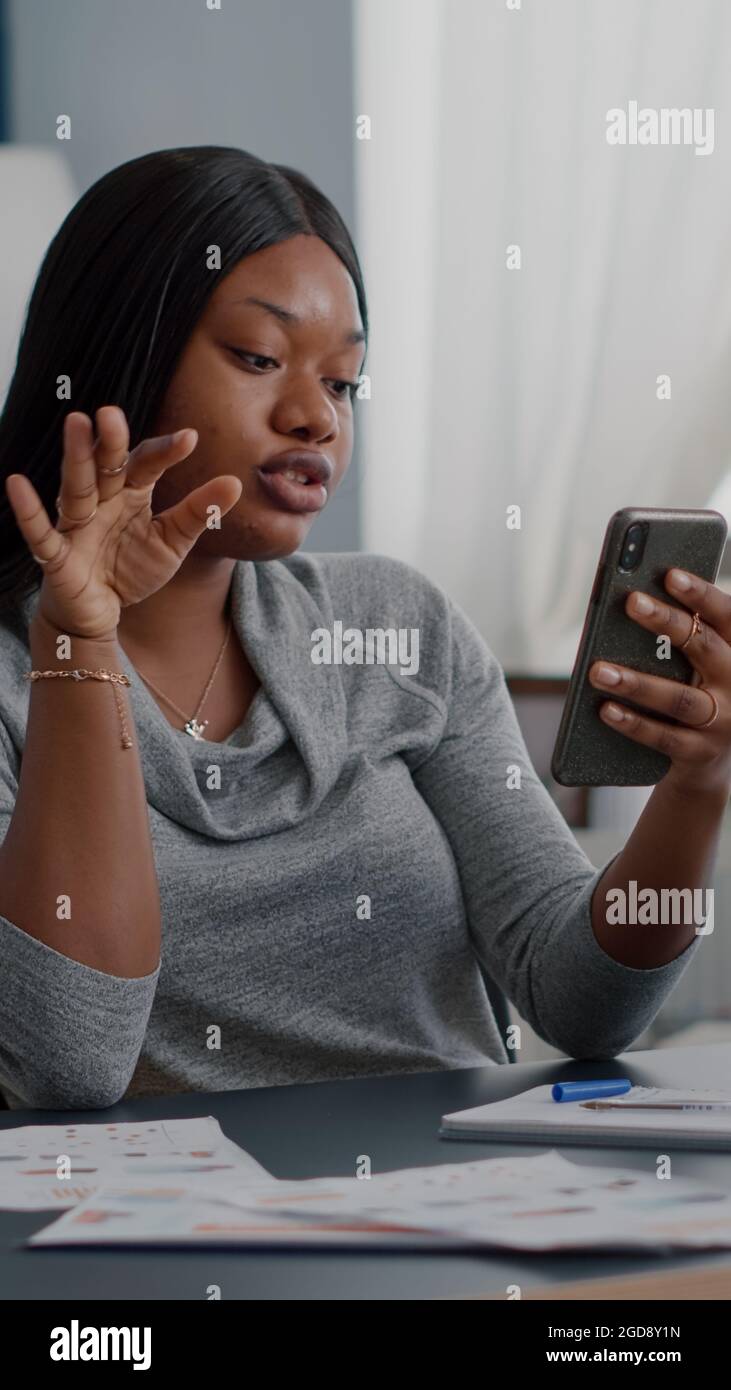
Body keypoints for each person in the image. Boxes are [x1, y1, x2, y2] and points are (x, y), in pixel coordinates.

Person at [0, 147, 723, 1112]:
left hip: (466, 1213)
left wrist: (700, 787)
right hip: (173, 1243)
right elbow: (67, 1070)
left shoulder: (400, 627)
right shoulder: (19, 678)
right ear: (120, 353)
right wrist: (80, 650)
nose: (315, 419)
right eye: (259, 359)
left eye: (343, 383)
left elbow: (581, 1001)